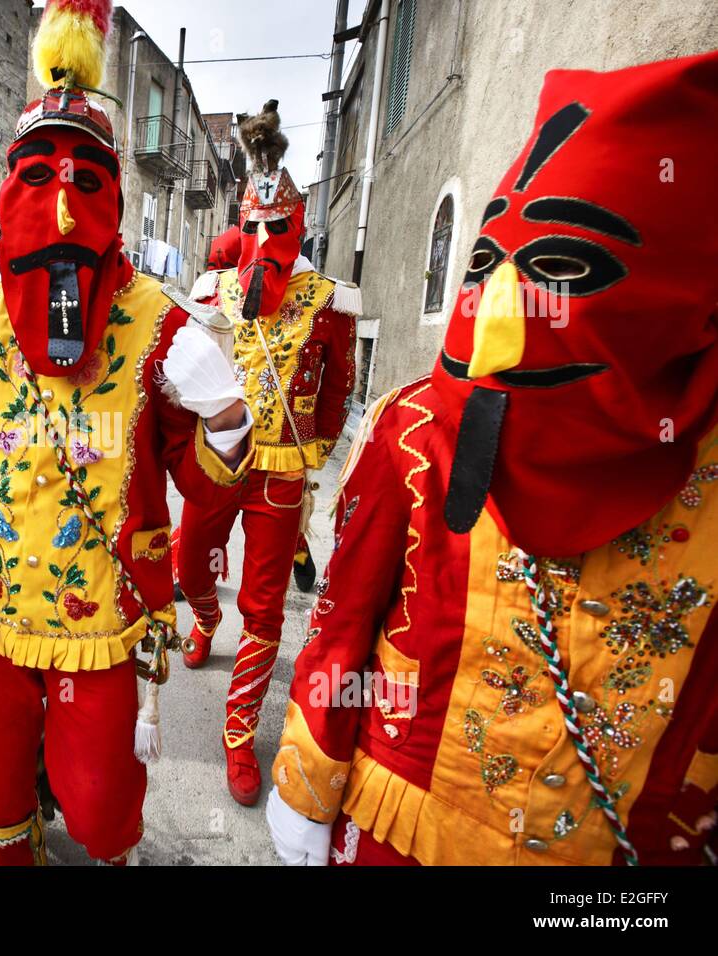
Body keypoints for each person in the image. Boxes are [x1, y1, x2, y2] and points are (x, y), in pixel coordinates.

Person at [267, 51, 718, 866]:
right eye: (485, 267)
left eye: (562, 270)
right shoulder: (417, 426)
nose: (499, 329)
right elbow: (344, 626)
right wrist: (308, 782)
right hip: (407, 825)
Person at [0, 0, 252, 865]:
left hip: (105, 618)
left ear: (115, 191)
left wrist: (226, 422)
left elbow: (201, 481)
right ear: (7, 186)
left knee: (104, 806)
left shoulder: (159, 325)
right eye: (37, 177)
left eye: (87, 180)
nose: (64, 210)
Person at [176, 126, 359, 807]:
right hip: (220, 458)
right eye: (252, 225)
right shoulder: (213, 289)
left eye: (275, 226)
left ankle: (237, 729)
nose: (262, 237)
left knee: (262, 606)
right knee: (192, 560)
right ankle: (199, 616)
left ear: (298, 225)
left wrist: (321, 447)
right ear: (239, 223)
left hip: (283, 470)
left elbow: (339, 384)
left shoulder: (330, 301)